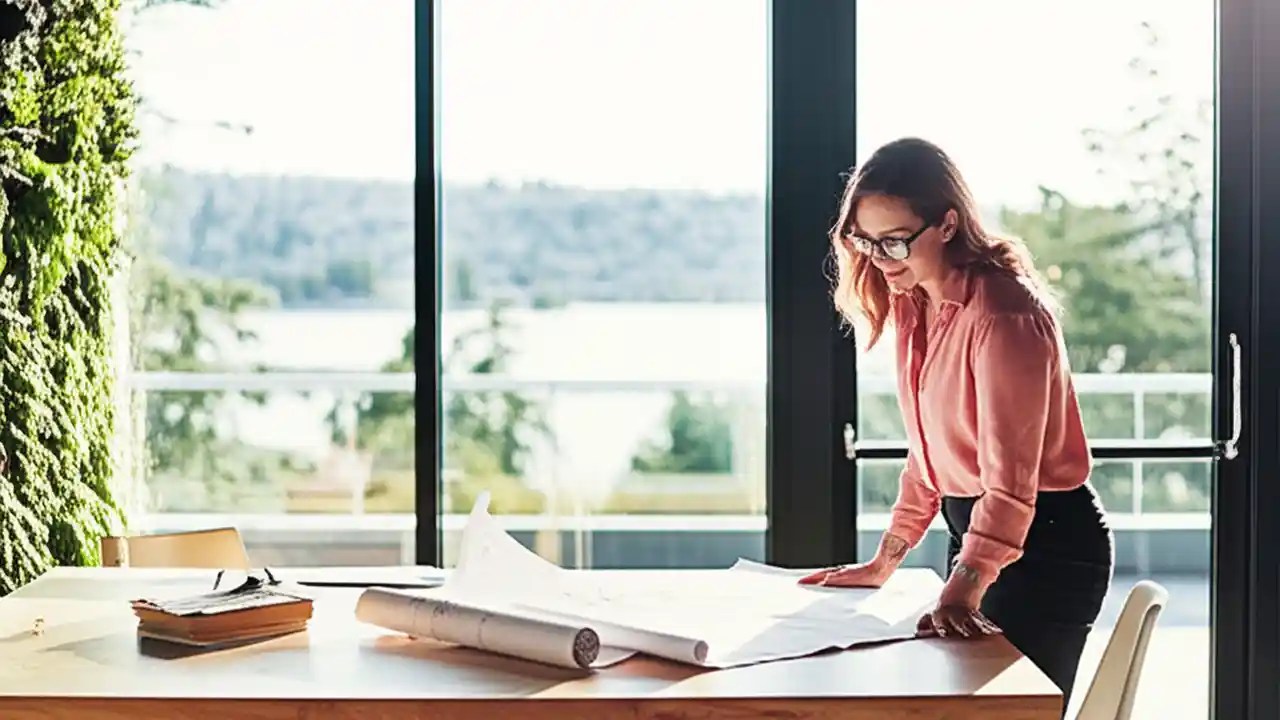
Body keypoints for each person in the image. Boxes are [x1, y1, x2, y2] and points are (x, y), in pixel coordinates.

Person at [798, 137, 1114, 709]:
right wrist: (884, 561)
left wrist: (965, 584)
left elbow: (1012, 483)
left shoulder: (1004, 314)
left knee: (1005, 713)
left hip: (1045, 545)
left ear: (946, 225)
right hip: (978, 534)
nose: (880, 259)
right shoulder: (917, 303)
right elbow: (930, 452)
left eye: (895, 242)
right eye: (865, 242)